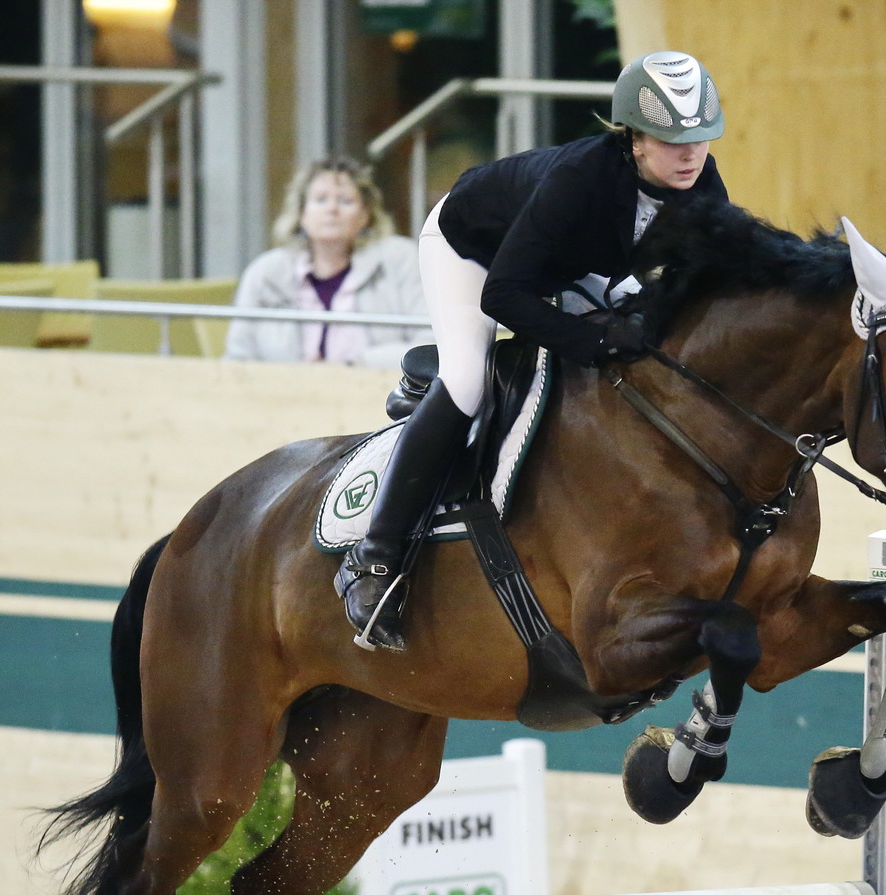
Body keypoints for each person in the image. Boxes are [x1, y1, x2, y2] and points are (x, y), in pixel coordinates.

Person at [337, 51, 730, 652]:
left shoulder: (704, 184)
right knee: (469, 379)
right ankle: (375, 558)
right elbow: (504, 297)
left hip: (571, 265)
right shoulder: (580, 180)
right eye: (672, 138)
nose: (690, 153)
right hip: (473, 252)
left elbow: (707, 279)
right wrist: (598, 340)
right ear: (633, 137)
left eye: (700, 138)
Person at [226, 156, 429, 368]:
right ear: (302, 213)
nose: (332, 209)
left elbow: (431, 345)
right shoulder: (267, 272)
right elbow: (238, 358)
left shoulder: (399, 259)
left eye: (345, 201)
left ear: (365, 215)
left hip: (381, 393)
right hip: (284, 395)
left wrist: (356, 364)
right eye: (320, 200)